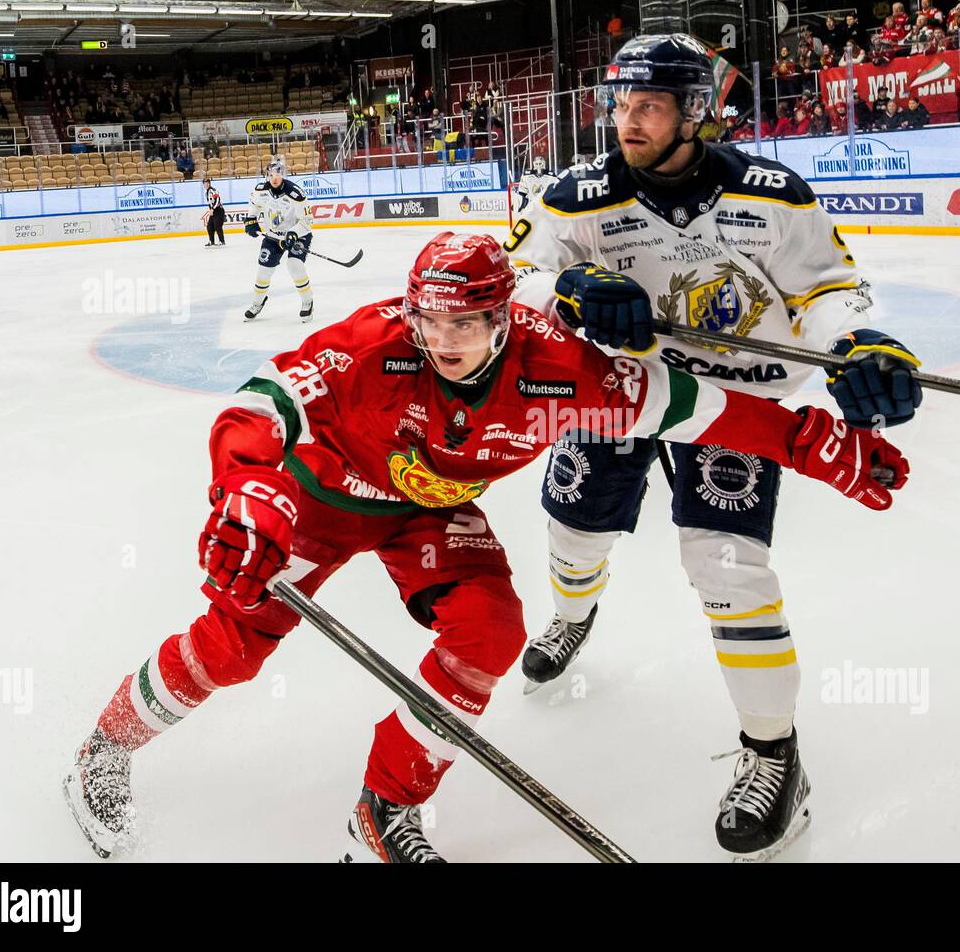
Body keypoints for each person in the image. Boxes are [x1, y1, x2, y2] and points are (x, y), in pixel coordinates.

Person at [62, 231, 910, 862]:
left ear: (507, 315)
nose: (447, 339)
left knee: (491, 633)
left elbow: (697, 409)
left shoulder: (562, 369)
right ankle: (103, 751)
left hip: (426, 512)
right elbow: (260, 402)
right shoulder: (373, 345)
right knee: (233, 647)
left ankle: (383, 809)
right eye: (432, 319)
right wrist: (247, 487)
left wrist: (814, 445)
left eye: (469, 320)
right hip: (320, 499)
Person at [506, 34, 922, 860]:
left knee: (729, 569)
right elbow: (517, 277)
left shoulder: (772, 194)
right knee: (574, 532)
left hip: (731, 403)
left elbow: (827, 288)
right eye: (621, 105)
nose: (628, 121)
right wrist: (569, 287)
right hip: (622, 390)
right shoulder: (576, 197)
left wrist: (858, 340)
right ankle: (571, 617)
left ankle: (775, 755)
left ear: (696, 111)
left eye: (650, 106)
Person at [242, 156, 314, 322]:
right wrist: (251, 219)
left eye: (278, 175)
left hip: (297, 235)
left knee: (294, 265)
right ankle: (257, 303)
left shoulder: (295, 193)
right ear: (267, 175)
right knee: (263, 271)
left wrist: (294, 233)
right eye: (271, 175)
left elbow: (307, 221)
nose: (274, 178)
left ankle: (307, 301)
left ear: (283, 174)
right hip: (273, 237)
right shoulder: (261, 190)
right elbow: (254, 204)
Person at [201, 175, 225, 247]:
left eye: (207, 183)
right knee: (209, 226)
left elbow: (217, 200)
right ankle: (212, 242)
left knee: (217, 226)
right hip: (213, 211)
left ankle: (222, 241)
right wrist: (211, 209)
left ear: (209, 183)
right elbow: (210, 203)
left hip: (218, 210)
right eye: (204, 183)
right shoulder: (207, 193)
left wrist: (212, 209)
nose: (206, 184)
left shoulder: (212, 190)